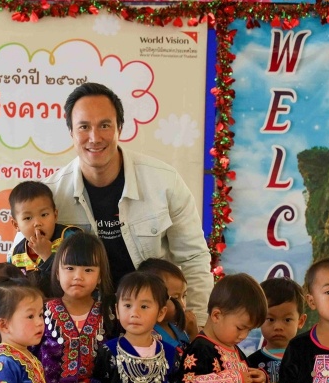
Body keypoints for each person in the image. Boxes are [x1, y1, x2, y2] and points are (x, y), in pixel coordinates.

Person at [45, 82, 212, 325]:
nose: (95, 137)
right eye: (83, 127)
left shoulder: (164, 181)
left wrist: (197, 324)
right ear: (71, 132)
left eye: (105, 125)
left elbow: (193, 259)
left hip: (155, 323)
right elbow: (23, 259)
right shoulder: (52, 194)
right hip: (82, 327)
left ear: (119, 128)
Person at [32, 232, 113, 383]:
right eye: (70, 268)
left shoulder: (110, 315)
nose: (78, 276)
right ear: (57, 273)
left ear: (100, 276)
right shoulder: (41, 312)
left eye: (88, 270)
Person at [8, 180, 80, 296]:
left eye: (44, 215)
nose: (37, 223)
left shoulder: (71, 239)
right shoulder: (16, 254)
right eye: (27, 218)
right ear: (16, 225)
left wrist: (47, 255)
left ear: (55, 215)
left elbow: (79, 278)